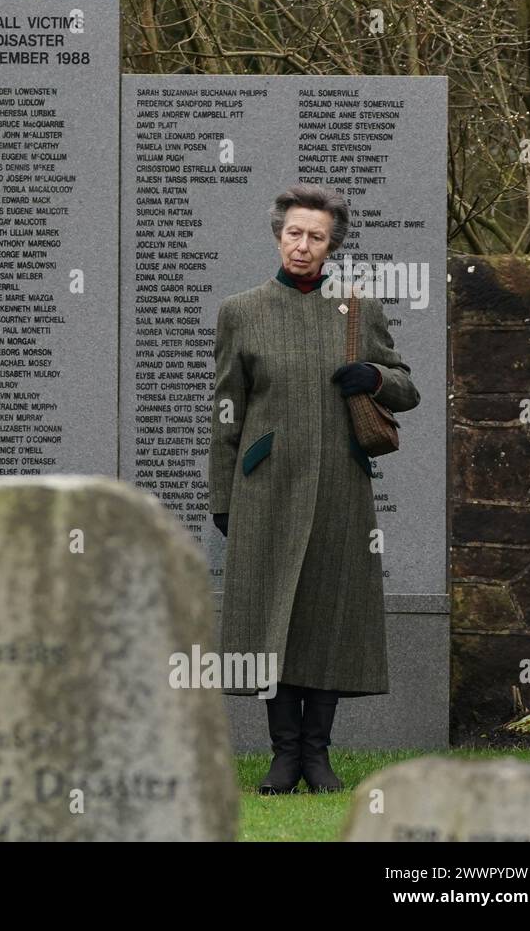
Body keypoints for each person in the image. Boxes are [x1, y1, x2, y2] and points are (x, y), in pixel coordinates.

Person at [207, 183, 421, 795]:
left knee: (329, 617)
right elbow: (225, 408)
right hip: (265, 487)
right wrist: (223, 496)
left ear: (333, 246)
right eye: (295, 233)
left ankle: (318, 755)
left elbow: (408, 390)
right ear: (279, 234)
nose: (303, 246)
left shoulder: (360, 311)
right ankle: (283, 754)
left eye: (317, 237)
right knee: (273, 615)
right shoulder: (240, 311)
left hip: (340, 487)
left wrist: (375, 374)